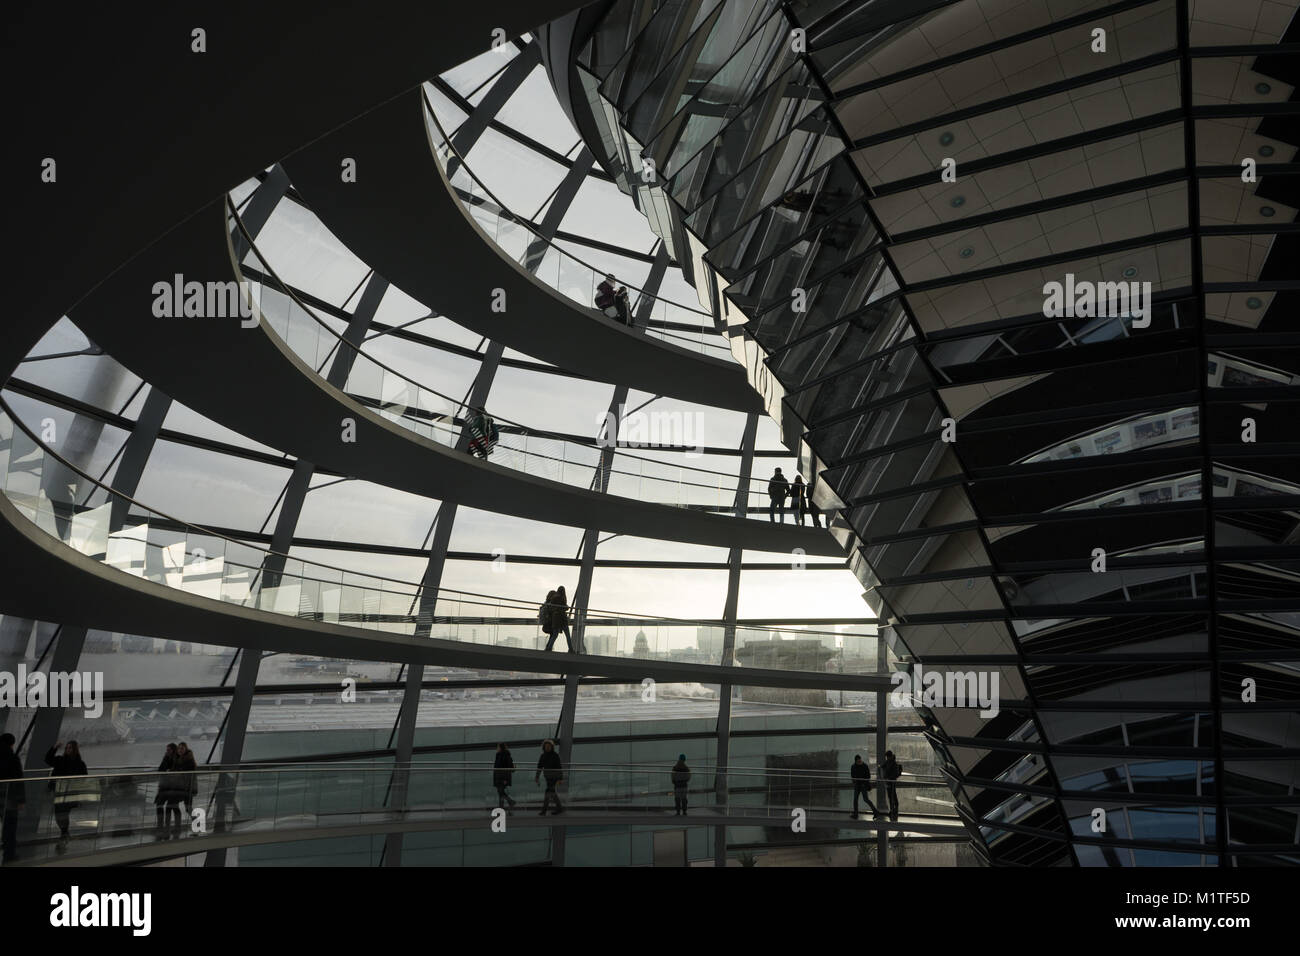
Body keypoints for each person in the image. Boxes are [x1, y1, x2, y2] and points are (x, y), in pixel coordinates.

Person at [44, 740, 87, 850]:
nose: (68, 750)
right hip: (60, 791)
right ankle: (64, 833)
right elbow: (48, 759)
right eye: (67, 748)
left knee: (62, 813)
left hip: (69, 792)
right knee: (60, 813)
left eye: (70, 748)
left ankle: (64, 833)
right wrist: (55, 747)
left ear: (74, 750)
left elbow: (83, 779)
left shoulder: (80, 764)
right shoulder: (60, 760)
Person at [1, 733, 25, 864]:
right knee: (10, 826)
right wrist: (21, 800)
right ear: (12, 743)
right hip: (9, 798)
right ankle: (9, 853)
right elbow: (18, 780)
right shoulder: (12, 758)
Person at [535, 740, 564, 815]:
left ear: (552, 747)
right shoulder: (543, 756)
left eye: (549, 746)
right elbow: (539, 767)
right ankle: (559, 808)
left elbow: (559, 767)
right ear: (544, 747)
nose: (547, 747)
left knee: (548, 792)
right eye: (546, 746)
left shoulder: (555, 755)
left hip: (554, 777)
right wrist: (537, 777)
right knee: (552, 793)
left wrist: (560, 778)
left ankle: (544, 810)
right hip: (547, 777)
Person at [153, 743, 177, 832]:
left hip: (171, 786)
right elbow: (160, 770)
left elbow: (163, 770)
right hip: (165, 786)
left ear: (173, 750)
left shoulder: (176, 759)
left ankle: (164, 826)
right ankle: (162, 825)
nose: (167, 751)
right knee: (161, 804)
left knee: (167, 806)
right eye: (167, 750)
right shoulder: (167, 758)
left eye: (169, 750)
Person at [544, 586, 573, 652]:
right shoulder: (562, 598)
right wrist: (566, 607)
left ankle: (549, 648)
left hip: (556, 619)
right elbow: (565, 608)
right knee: (567, 635)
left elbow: (551, 607)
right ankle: (571, 649)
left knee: (555, 635)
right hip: (563, 619)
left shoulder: (554, 598)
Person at [175, 742, 198, 822]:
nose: (180, 750)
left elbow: (183, 773)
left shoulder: (188, 760)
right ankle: (197, 823)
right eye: (179, 748)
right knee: (187, 807)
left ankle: (197, 823)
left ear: (185, 749)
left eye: (182, 748)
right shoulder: (182, 759)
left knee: (186, 807)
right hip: (184, 787)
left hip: (187, 788)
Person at [849, 754, 878, 819]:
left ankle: (875, 811)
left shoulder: (863, 766)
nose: (859, 762)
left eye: (860, 761)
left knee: (865, 799)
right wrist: (855, 782)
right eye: (858, 761)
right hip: (858, 785)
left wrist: (861, 782)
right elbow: (853, 776)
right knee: (856, 800)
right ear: (856, 761)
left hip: (862, 785)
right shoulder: (856, 766)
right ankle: (856, 814)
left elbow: (868, 776)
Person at [493, 742, 516, 810]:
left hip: (503, 777)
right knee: (500, 792)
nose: (497, 748)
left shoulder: (506, 755)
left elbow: (508, 767)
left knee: (500, 791)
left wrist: (505, 779)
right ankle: (508, 803)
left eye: (498, 747)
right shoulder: (499, 755)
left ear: (501, 748)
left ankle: (508, 803)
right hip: (499, 776)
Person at [881, 750, 903, 820]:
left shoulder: (893, 763)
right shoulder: (889, 762)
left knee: (892, 797)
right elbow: (883, 766)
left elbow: (894, 774)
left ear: (889, 756)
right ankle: (893, 811)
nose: (887, 758)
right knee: (891, 797)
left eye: (887, 757)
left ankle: (894, 811)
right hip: (889, 782)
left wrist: (887, 778)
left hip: (891, 782)